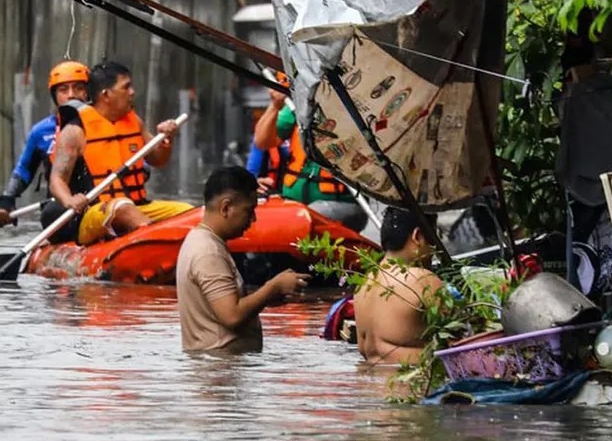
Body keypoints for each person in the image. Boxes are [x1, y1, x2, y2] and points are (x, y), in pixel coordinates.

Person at [46, 60, 193, 245]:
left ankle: (174, 242)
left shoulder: (134, 122)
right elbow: (57, 180)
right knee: (122, 208)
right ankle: (154, 241)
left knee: (188, 211)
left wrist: (166, 140)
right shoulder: (75, 131)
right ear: (106, 95)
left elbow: (158, 160)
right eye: (126, 87)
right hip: (96, 211)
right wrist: (69, 200)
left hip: (139, 205)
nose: (132, 92)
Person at [177, 167, 311, 353]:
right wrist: (272, 287)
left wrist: (267, 298)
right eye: (249, 210)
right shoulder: (208, 252)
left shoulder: (201, 241)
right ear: (226, 207)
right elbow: (232, 316)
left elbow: (222, 307)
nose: (253, 219)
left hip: (219, 366)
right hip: (220, 369)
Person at [252, 76, 368, 232]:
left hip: (343, 205)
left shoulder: (355, 106)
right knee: (262, 220)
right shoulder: (298, 107)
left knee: (309, 215)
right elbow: (262, 141)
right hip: (294, 205)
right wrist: (275, 106)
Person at [0, 61, 90, 226]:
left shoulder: (105, 123)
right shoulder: (41, 131)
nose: (71, 95)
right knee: (53, 212)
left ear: (88, 92)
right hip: (61, 207)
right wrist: (6, 200)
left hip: (98, 201)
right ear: (54, 95)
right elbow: (24, 170)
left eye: (78, 88)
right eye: (63, 90)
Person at [354, 206, 443, 366]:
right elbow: (461, 335)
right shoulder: (423, 280)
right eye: (434, 240)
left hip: (370, 385)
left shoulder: (364, 282)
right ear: (417, 236)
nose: (434, 251)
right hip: (412, 385)